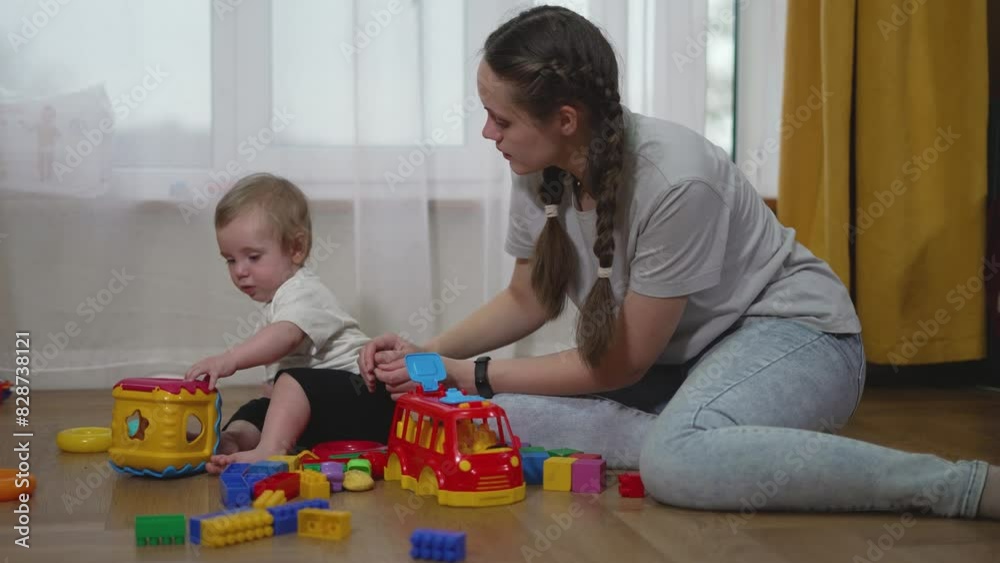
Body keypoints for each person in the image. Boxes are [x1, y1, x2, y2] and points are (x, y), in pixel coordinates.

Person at [358, 5, 1000, 519]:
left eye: (500, 119)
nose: (487, 134)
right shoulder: (539, 166)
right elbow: (529, 298)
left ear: (566, 119)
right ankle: (699, 439)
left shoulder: (675, 179)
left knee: (668, 462)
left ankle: (955, 487)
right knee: (484, 420)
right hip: (674, 367)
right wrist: (426, 355)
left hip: (795, 338)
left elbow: (620, 360)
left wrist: (468, 372)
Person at [185, 172, 396, 473]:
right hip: (328, 406)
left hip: (366, 399)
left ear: (296, 249)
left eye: (253, 257)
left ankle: (270, 450)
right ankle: (231, 442)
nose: (240, 271)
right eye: (230, 260)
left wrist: (230, 359)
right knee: (259, 407)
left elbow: (285, 336)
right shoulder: (281, 299)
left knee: (291, 382)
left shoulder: (304, 291)